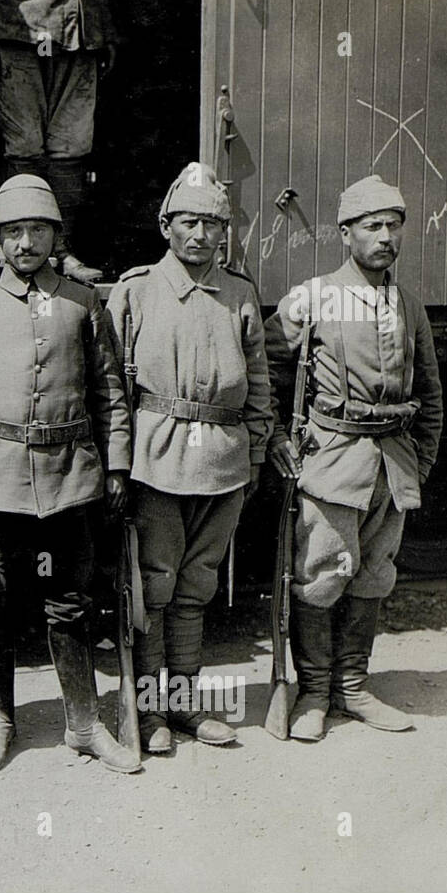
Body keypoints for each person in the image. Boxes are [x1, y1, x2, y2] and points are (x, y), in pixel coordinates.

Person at [0, 174, 141, 775]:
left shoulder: (83, 303)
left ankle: (83, 724)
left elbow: (109, 391)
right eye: (13, 231)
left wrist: (118, 464)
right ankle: (0, 720)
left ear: (56, 236)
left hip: (71, 474)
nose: (25, 242)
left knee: (71, 603)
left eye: (38, 230)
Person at [265, 174, 443, 741]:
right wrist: (274, 439)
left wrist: (424, 461)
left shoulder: (408, 304)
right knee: (322, 575)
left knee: (373, 576)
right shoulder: (312, 296)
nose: (386, 236)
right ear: (346, 234)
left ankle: (353, 687)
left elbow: (431, 393)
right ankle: (315, 692)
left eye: (394, 225)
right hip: (332, 461)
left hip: (394, 463)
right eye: (372, 226)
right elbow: (263, 365)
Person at [105, 163, 273, 755]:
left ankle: (184, 706)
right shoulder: (135, 291)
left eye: (212, 225)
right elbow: (113, 390)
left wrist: (254, 454)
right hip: (157, 459)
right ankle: (149, 712)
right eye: (188, 223)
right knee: (155, 585)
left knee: (197, 585)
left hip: (222, 461)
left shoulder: (241, 295)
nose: (200, 235)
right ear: (165, 226)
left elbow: (259, 382)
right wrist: (118, 464)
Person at [0, 0, 120, 283]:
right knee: (25, 146)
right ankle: (19, 254)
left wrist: (103, 29)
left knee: (71, 146)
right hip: (21, 34)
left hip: (81, 38)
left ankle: (62, 252)